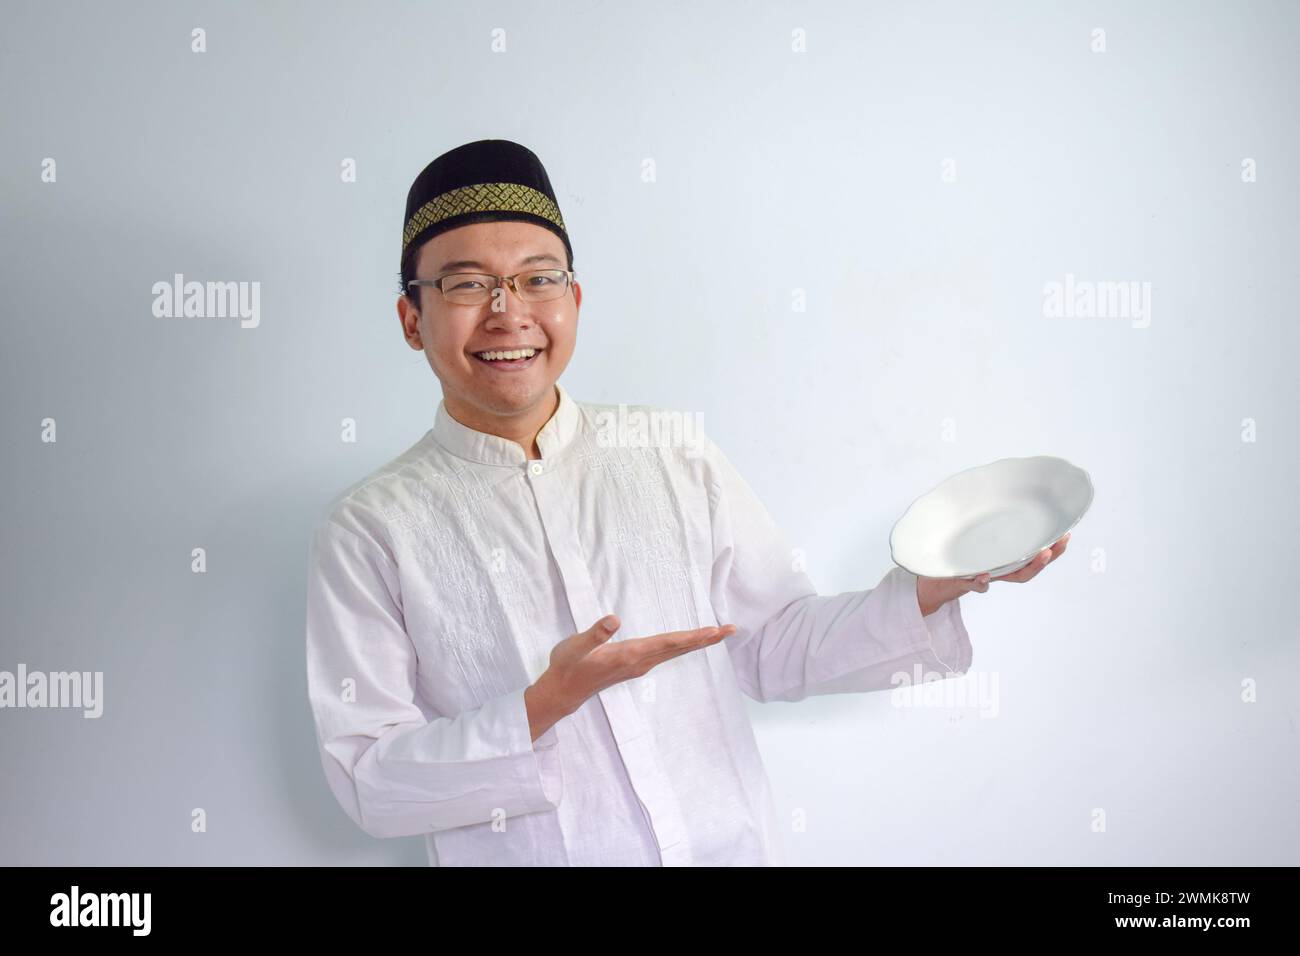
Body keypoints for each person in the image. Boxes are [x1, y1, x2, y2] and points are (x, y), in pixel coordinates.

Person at [304, 139, 1069, 866]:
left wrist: (933, 588)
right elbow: (369, 780)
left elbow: (774, 646)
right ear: (412, 319)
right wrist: (539, 706)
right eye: (467, 284)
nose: (509, 311)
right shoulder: (371, 529)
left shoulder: (671, 452)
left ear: (573, 297)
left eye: (537, 277)